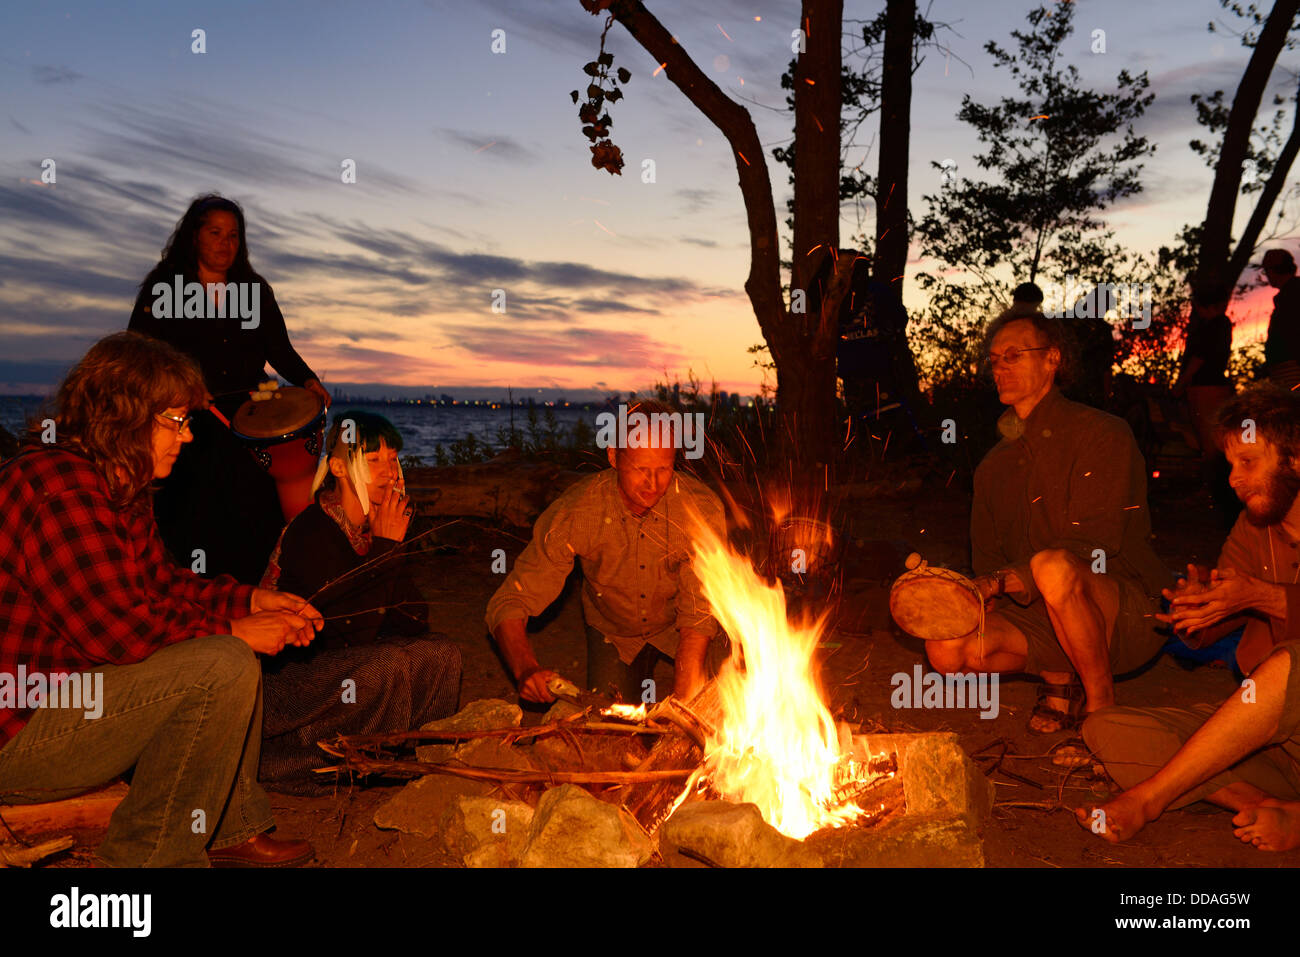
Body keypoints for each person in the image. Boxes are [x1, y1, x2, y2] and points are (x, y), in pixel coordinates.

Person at [0, 332, 322, 867]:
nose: (187, 437)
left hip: (66, 702)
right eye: (175, 420)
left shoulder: (116, 483)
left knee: (228, 651)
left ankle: (230, 829)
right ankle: (145, 862)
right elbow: (118, 631)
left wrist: (249, 602)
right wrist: (236, 632)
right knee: (220, 662)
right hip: (17, 735)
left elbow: (163, 585)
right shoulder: (60, 488)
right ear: (125, 417)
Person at [926, 311, 1169, 765]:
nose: (1000, 367)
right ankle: (1058, 679)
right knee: (944, 648)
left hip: (1126, 610)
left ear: (1052, 359)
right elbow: (989, 563)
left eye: (1014, 356)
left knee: (1053, 567)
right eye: (994, 359)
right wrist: (957, 594)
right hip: (1043, 621)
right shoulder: (992, 467)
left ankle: (1101, 714)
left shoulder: (1102, 433)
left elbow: (1095, 547)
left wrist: (1000, 582)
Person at [1080, 386, 1300, 850]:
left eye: (1248, 462)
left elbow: (1265, 613)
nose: (1234, 481)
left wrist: (1260, 594)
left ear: (1295, 458)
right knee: (1105, 730)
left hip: (1285, 696)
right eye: (1229, 467)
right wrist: (1200, 609)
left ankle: (1148, 800)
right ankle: (1265, 804)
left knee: (1291, 664)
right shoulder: (1251, 526)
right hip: (1276, 745)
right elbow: (1232, 611)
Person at [128, 193, 331, 584]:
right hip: (185, 419)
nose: (226, 243)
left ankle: (252, 594)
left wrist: (308, 379)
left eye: (234, 235)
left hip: (248, 418)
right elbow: (139, 351)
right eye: (216, 233)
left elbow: (279, 348)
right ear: (194, 237)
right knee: (193, 511)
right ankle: (195, 595)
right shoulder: (163, 289)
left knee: (254, 507)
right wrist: (183, 387)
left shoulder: (254, 290)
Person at [258, 411, 462, 793]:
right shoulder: (312, 530)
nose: (389, 471)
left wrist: (390, 550)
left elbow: (412, 621)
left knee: (441, 652)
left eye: (393, 459)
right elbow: (351, 632)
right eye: (373, 461)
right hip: (284, 682)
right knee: (385, 663)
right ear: (338, 467)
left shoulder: (374, 529)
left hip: (341, 664)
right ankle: (320, 767)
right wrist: (385, 552)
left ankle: (420, 761)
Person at [486, 400, 726, 705]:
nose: (652, 484)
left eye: (663, 469)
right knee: (609, 723)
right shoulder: (579, 511)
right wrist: (526, 669)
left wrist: (684, 707)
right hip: (613, 631)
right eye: (640, 469)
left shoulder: (700, 509)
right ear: (613, 456)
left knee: (727, 700)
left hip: (677, 626)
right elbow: (510, 602)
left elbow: (698, 612)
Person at [1174, 281, 1238, 526]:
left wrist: (1182, 382)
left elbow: (1200, 357)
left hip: (1207, 388)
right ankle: (1215, 494)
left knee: (1211, 443)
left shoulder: (1214, 326)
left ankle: (1219, 496)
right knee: (1209, 442)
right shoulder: (1220, 325)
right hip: (1212, 386)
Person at [1261, 248, 1300, 392]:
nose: (1267, 276)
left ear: (1273, 270)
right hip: (1286, 369)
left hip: (1292, 370)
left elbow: (1291, 333)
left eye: (1267, 271)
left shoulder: (1292, 294)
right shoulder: (1288, 294)